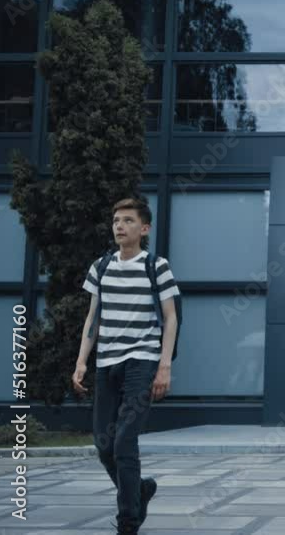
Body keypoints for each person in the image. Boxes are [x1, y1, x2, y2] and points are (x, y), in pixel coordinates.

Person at [72, 197, 179, 534]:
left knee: (123, 442)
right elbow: (93, 317)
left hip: (142, 362)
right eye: (116, 220)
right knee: (104, 446)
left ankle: (128, 521)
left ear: (144, 229)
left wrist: (164, 366)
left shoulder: (156, 266)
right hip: (106, 363)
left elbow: (170, 317)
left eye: (128, 220)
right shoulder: (101, 267)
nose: (119, 225)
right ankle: (140, 490)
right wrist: (81, 362)